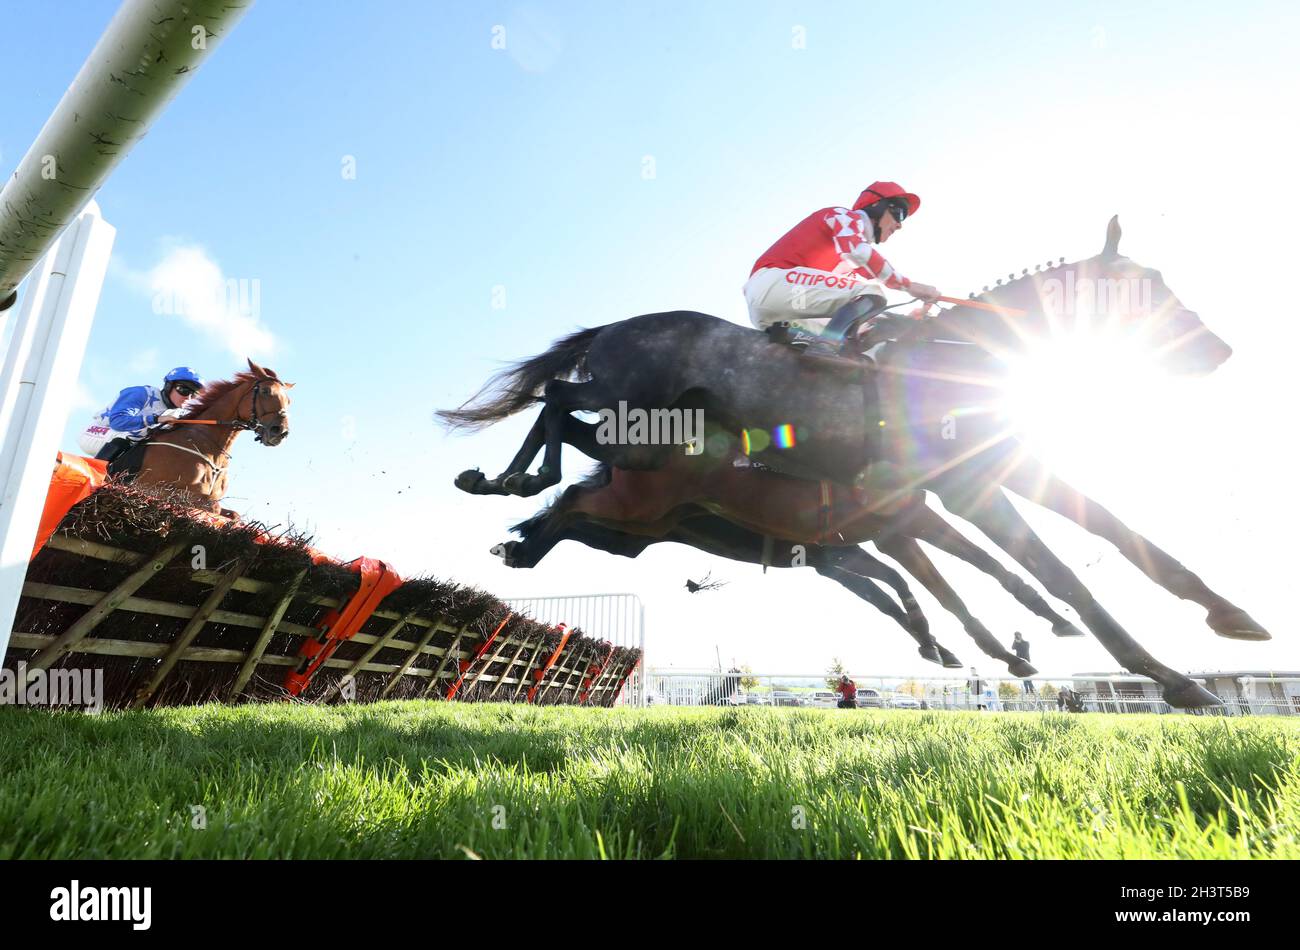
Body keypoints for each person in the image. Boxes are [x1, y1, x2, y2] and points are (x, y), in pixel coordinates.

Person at [744, 180, 942, 349]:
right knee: (873, 293)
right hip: (772, 284)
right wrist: (909, 286)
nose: (900, 224)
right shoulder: (844, 216)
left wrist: (916, 316)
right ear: (877, 205)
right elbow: (858, 253)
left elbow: (858, 305)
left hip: (779, 310)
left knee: (858, 329)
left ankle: (794, 338)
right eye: (899, 213)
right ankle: (825, 348)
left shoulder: (849, 262)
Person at [78, 366, 205, 462]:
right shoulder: (141, 393)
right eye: (183, 390)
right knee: (127, 438)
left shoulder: (179, 413)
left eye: (193, 394)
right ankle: (95, 478)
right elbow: (118, 422)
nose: (188, 397)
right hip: (97, 433)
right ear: (169, 386)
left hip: (130, 443)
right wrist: (157, 419)